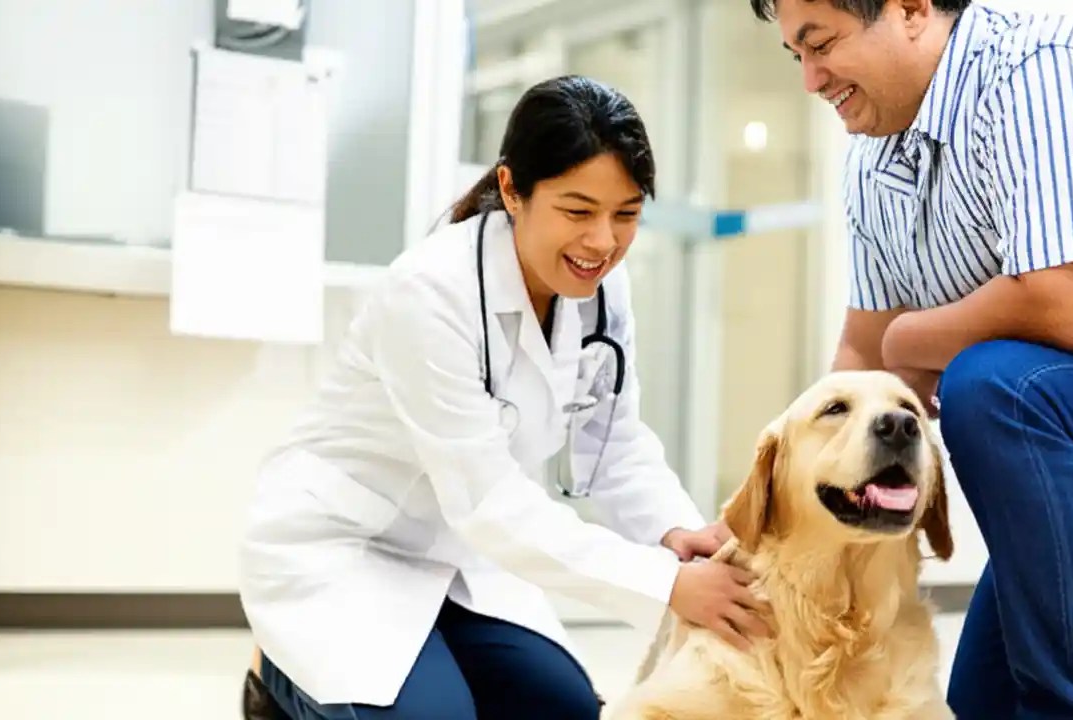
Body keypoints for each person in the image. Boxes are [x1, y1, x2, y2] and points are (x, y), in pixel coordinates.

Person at [237, 75, 771, 720]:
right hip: (342, 546)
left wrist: (674, 531)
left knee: (566, 711)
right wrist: (666, 584)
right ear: (513, 190)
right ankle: (277, 675)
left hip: (460, 558)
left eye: (626, 214)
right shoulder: (430, 291)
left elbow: (613, 444)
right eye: (577, 211)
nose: (602, 242)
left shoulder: (600, 289)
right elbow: (487, 499)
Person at [750, 0, 1073, 717]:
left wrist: (909, 344)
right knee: (988, 700)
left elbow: (1069, 304)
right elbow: (863, 358)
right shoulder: (874, 163)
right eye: (795, 54)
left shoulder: (1041, 72)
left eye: (821, 44)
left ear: (913, 9)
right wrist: (767, 510)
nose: (810, 79)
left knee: (992, 386)